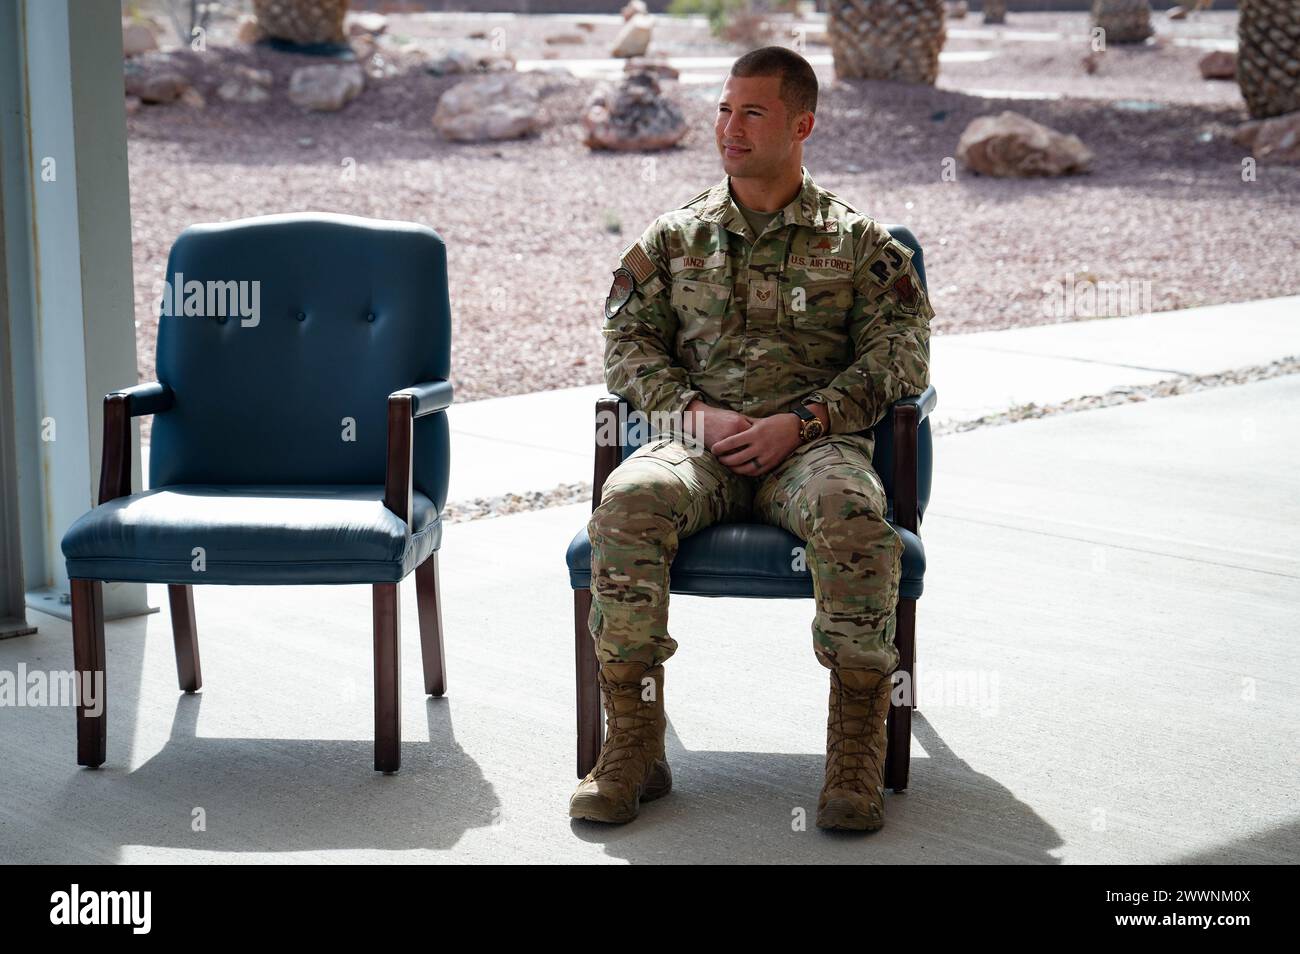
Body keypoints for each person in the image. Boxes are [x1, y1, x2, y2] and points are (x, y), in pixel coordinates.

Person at [569, 46, 933, 831]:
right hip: (699, 442)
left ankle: (854, 753)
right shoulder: (676, 237)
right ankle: (633, 745)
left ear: (802, 125)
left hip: (811, 447)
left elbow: (902, 357)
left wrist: (803, 422)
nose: (729, 128)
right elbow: (626, 347)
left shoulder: (859, 243)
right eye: (725, 109)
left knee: (853, 518)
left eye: (752, 112)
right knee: (629, 500)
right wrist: (692, 413)